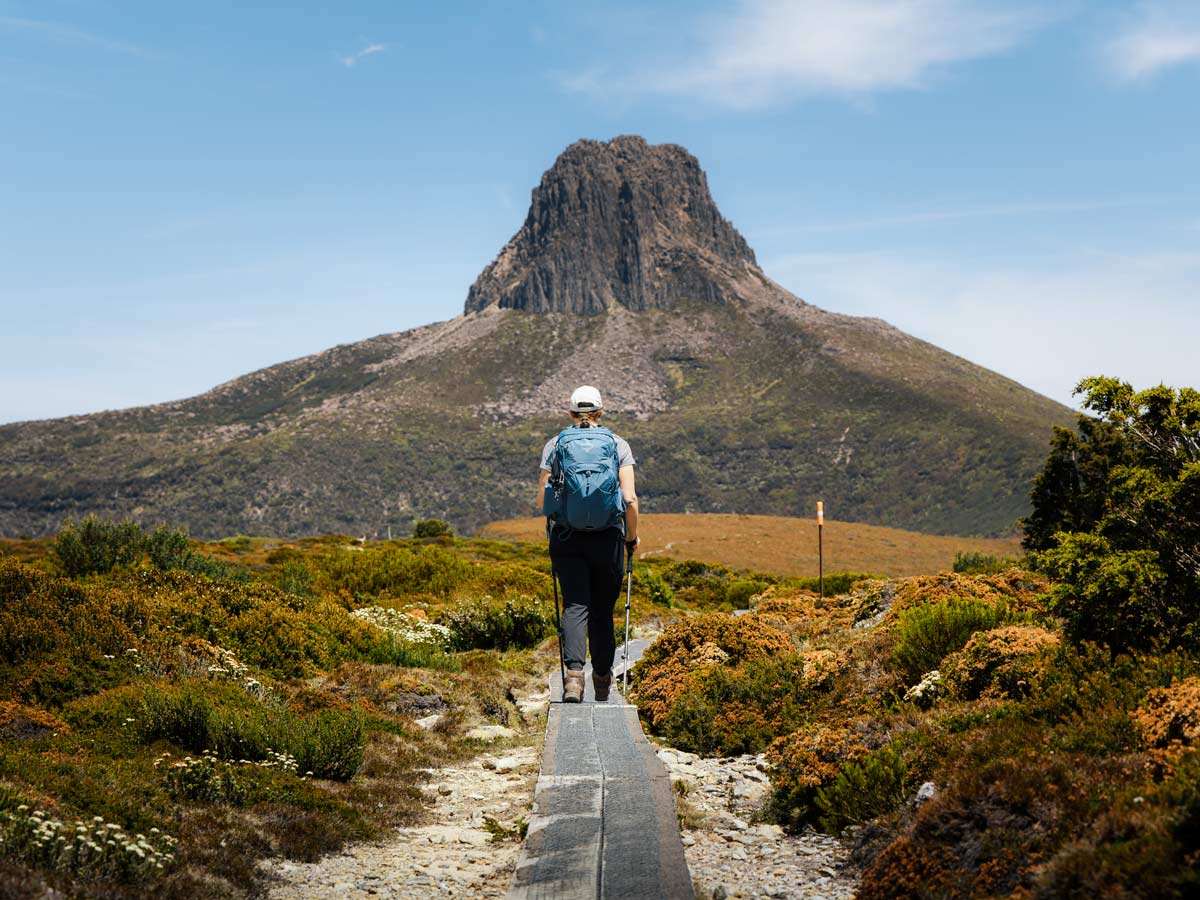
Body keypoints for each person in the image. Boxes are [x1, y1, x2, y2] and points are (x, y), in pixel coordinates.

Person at [537, 385, 639, 703]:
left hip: (567, 537)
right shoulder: (617, 445)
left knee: (575, 604)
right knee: (602, 611)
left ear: (571, 413)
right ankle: (603, 680)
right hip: (607, 538)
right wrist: (631, 537)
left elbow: (544, 499)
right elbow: (630, 499)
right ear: (601, 411)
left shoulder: (555, 446)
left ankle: (573, 679)